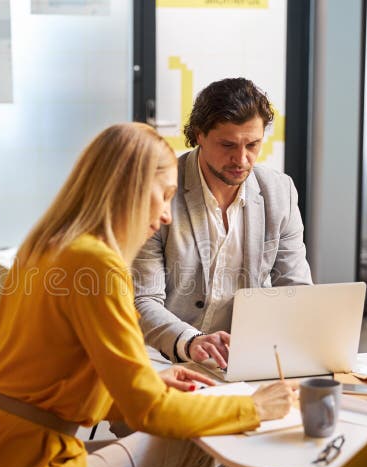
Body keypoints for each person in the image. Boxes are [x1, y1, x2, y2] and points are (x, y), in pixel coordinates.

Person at [0, 123, 295, 467]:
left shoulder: (46, 246)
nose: (166, 215)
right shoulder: (98, 264)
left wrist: (150, 379)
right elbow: (149, 412)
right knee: (190, 447)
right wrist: (255, 408)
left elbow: (48, 380)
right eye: (163, 196)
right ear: (131, 188)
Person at [132, 78, 313, 369]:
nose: (241, 159)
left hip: (240, 359)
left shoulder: (279, 192)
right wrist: (191, 342)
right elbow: (143, 300)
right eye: (227, 145)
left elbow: (295, 288)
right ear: (199, 135)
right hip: (162, 356)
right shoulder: (158, 189)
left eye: (252, 145)